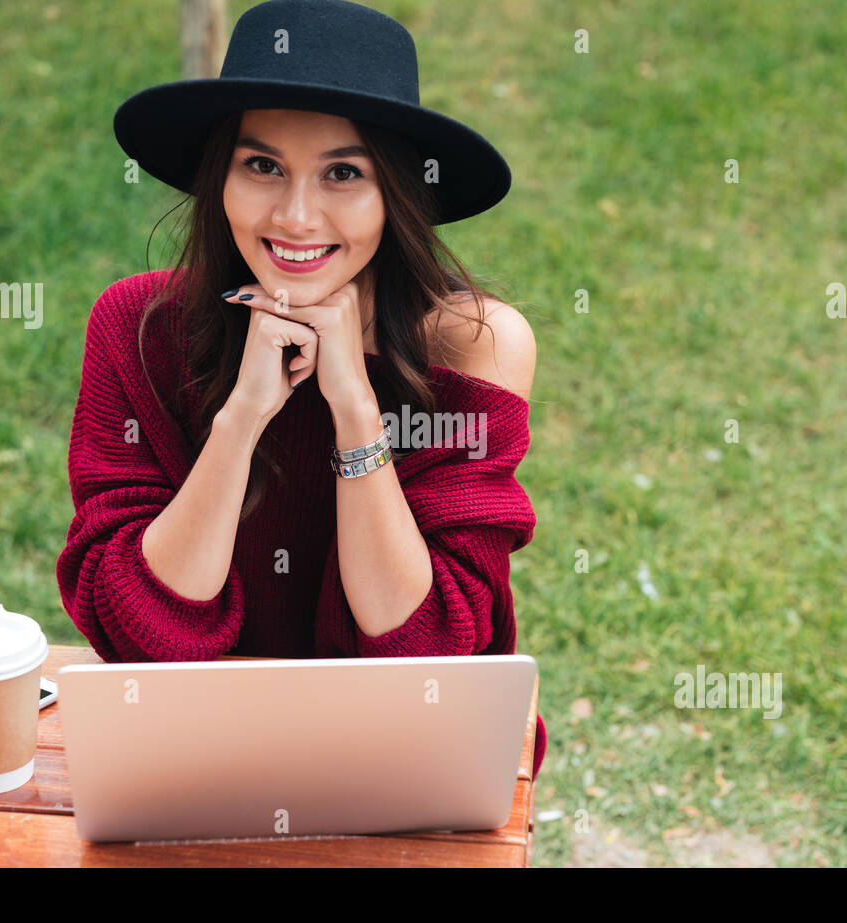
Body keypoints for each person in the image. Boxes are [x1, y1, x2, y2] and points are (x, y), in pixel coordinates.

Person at [56, 0, 547, 780]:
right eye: (262, 166)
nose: (294, 215)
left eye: (343, 173)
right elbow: (140, 632)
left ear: (397, 195)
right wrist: (242, 418)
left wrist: (355, 409)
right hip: (191, 757)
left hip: (398, 763)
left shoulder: (473, 349)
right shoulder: (139, 328)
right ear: (222, 175)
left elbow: (429, 660)